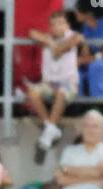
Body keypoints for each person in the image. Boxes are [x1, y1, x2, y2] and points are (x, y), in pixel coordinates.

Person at [29, 10, 82, 160]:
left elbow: (64, 48)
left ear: (67, 25)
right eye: (53, 24)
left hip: (68, 84)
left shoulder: (73, 37)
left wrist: (55, 46)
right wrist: (51, 43)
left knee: (61, 92)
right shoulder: (47, 38)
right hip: (49, 83)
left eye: (60, 23)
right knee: (32, 91)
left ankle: (47, 136)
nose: (56, 27)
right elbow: (32, 33)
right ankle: (50, 128)